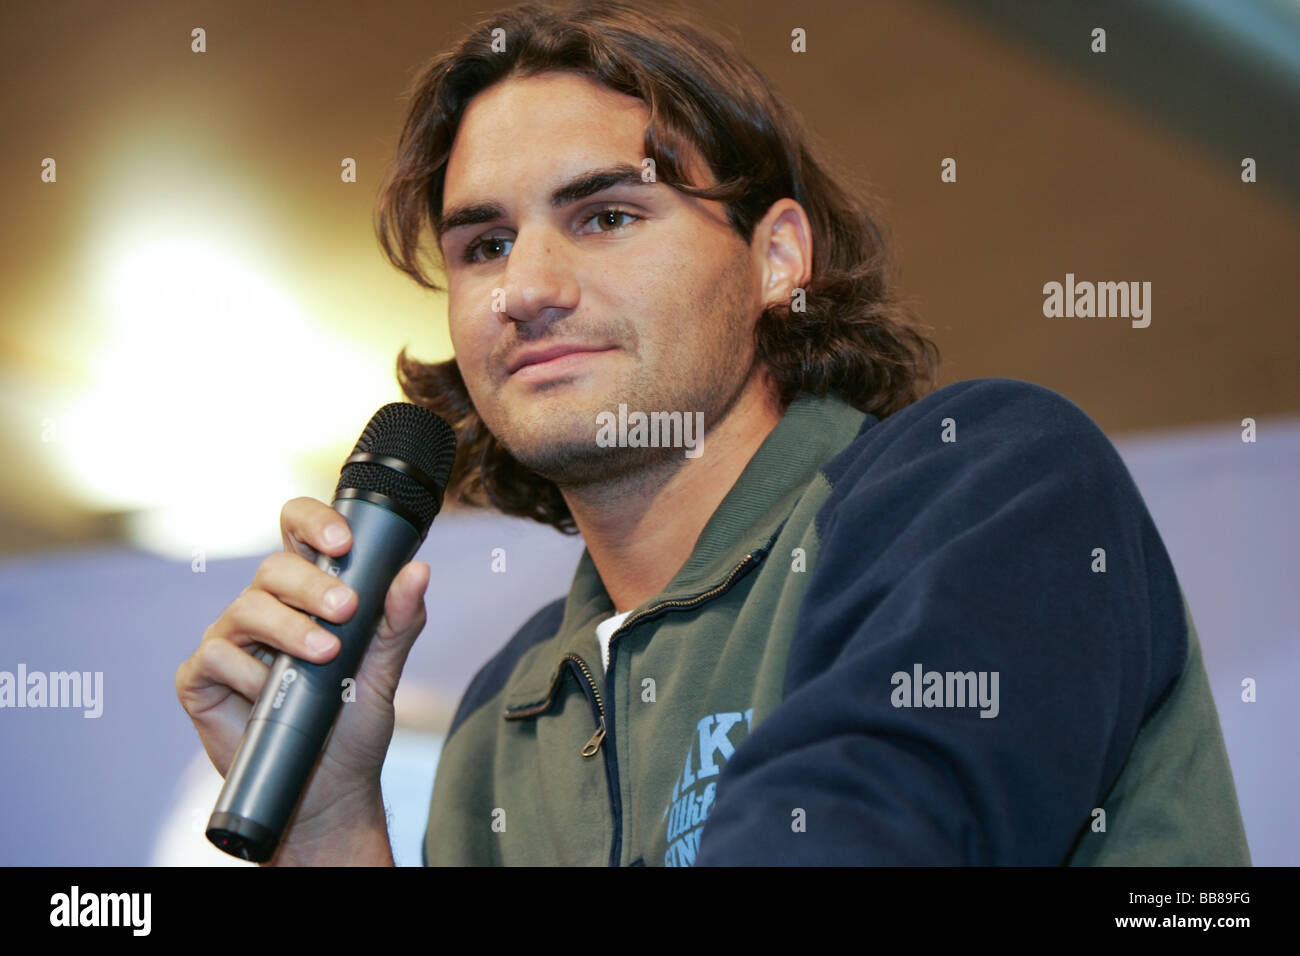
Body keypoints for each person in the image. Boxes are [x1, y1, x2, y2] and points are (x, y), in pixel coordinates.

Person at [175, 0, 1250, 866]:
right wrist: (328, 833)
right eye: (485, 244)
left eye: (605, 215)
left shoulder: (989, 481)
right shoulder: (503, 716)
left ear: (777, 258)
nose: (528, 289)